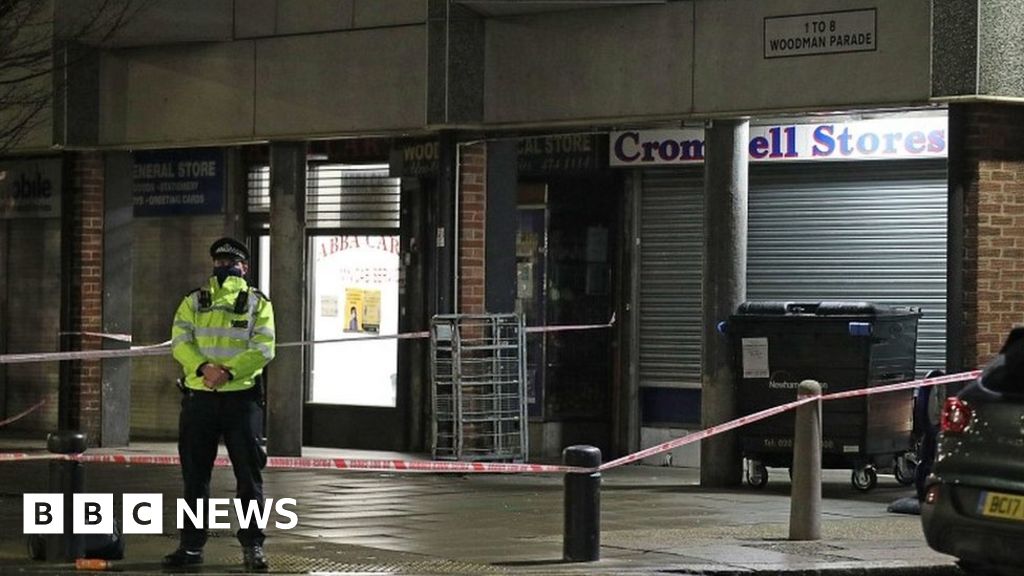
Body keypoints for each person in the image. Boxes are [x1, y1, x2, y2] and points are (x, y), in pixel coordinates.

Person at [164, 237, 276, 571]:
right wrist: (203, 368)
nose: (226, 267)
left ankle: (253, 546)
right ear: (213, 264)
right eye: (220, 262)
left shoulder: (258, 304)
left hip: (241, 401)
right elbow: (180, 342)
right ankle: (191, 547)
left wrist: (226, 371)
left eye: (232, 262)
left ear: (245, 267)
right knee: (195, 478)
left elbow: (265, 348)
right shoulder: (194, 302)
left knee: (249, 479)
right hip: (201, 400)